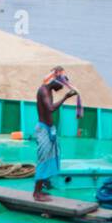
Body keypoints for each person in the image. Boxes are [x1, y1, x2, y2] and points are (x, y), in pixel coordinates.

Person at [33, 67, 78, 201]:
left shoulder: (49, 90)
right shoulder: (44, 91)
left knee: (52, 157)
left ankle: (43, 186)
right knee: (44, 159)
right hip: (43, 130)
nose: (61, 88)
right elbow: (51, 108)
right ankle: (36, 193)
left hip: (49, 129)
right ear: (53, 81)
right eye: (61, 85)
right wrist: (66, 97)